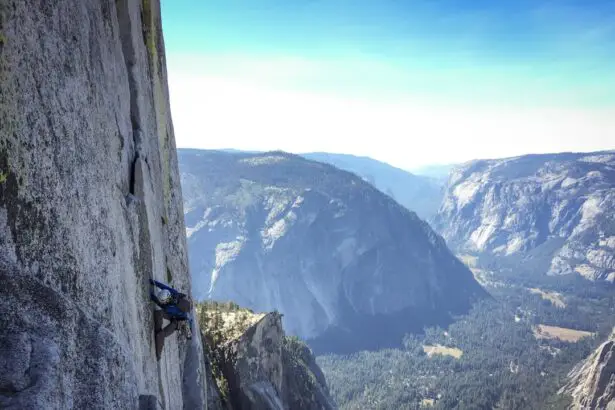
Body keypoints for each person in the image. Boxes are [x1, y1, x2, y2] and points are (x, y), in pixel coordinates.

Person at [149, 279, 194, 360]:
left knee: (161, 335)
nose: (162, 303)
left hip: (178, 323)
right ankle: (158, 331)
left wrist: (153, 298)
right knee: (158, 313)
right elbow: (163, 287)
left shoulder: (171, 305)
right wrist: (154, 282)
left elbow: (162, 305)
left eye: (163, 302)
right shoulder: (172, 293)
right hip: (172, 315)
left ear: (166, 300)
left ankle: (158, 354)